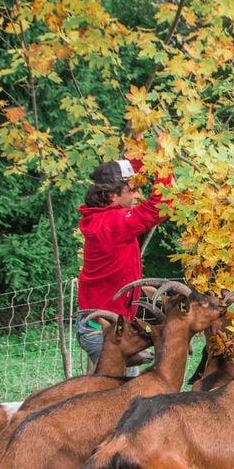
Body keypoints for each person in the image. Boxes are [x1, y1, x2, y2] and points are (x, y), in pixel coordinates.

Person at [74, 158, 171, 374]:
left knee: (123, 389)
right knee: (120, 393)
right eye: (132, 190)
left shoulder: (104, 219)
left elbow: (132, 167)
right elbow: (159, 207)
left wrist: (139, 153)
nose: (138, 196)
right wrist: (163, 162)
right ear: (112, 195)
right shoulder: (112, 223)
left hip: (112, 326)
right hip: (103, 331)